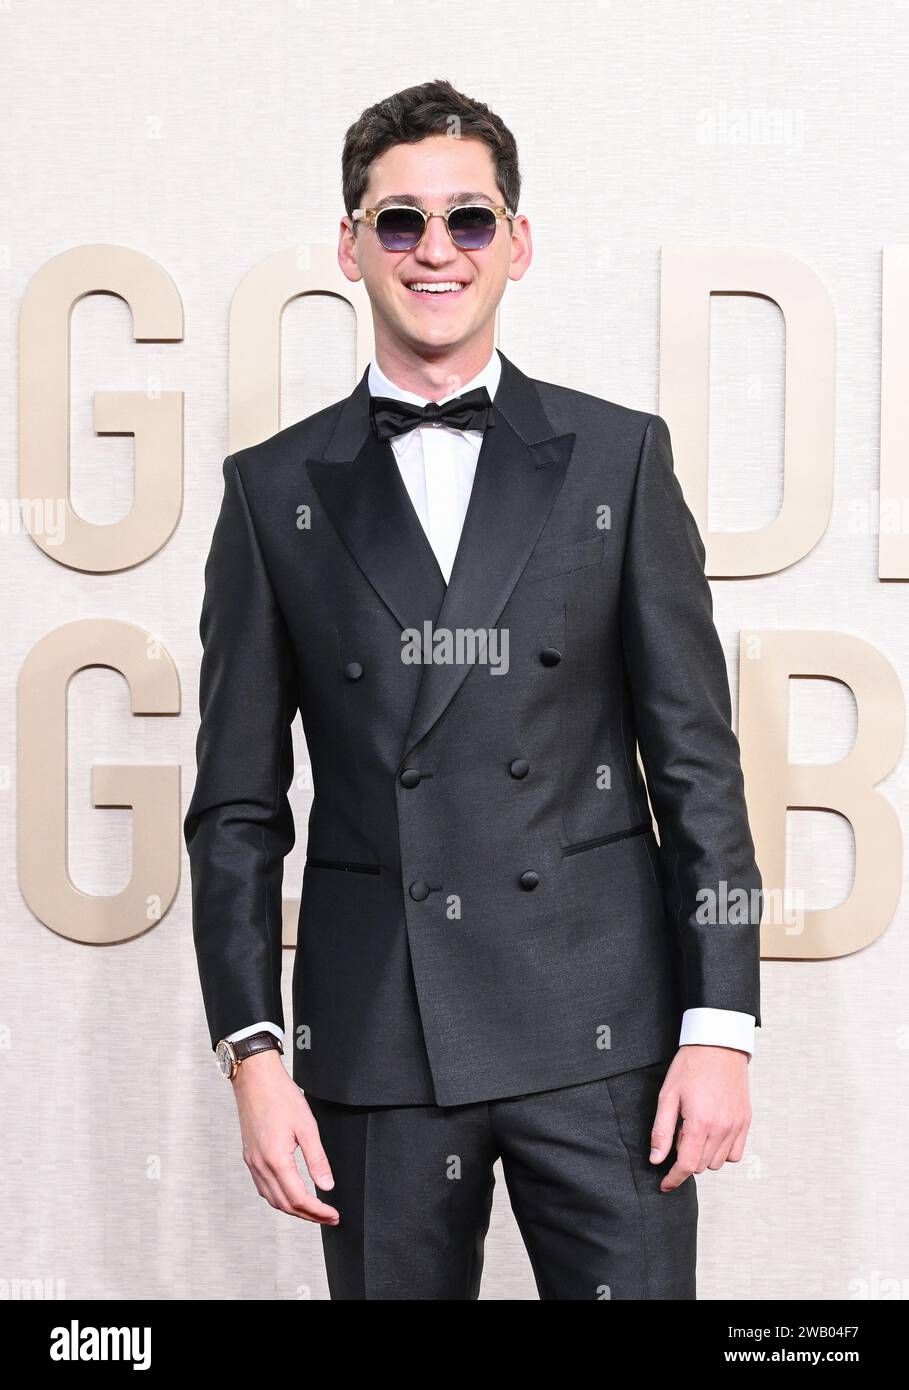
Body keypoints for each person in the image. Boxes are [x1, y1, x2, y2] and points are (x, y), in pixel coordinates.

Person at [183, 78, 763, 1301]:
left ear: (518, 242)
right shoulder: (271, 493)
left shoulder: (620, 458)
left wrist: (720, 1027)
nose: (434, 251)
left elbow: (697, 763)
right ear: (350, 247)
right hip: (379, 1042)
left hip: (602, 1038)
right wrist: (253, 1053)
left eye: (469, 219)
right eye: (399, 222)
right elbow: (237, 809)